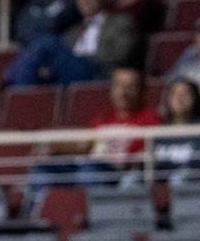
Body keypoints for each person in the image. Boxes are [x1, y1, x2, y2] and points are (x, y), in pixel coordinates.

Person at [29, 68, 162, 199]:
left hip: (119, 172)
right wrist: (54, 149)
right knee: (43, 169)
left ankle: (82, 213)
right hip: (89, 166)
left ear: (142, 91)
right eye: (118, 86)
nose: (123, 92)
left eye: (130, 86)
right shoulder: (101, 120)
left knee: (90, 170)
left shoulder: (150, 119)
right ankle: (41, 213)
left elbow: (150, 151)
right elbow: (86, 147)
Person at [5, 0, 138, 86]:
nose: (85, 0)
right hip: (69, 77)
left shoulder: (121, 23)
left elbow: (121, 55)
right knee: (36, 74)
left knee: (46, 42)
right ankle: (20, 95)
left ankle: (14, 82)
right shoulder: (72, 31)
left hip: (99, 73)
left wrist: (79, 60)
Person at [154, 79, 200, 183]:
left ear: (195, 99)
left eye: (185, 93)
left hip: (195, 189)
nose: (179, 98)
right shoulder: (160, 133)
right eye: (174, 93)